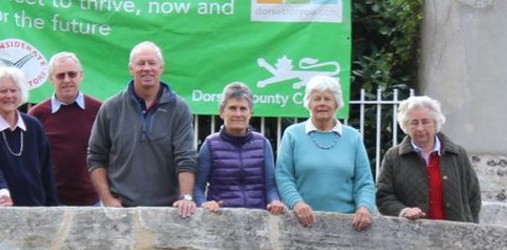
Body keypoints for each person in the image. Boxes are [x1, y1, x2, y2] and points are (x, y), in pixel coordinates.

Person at [87, 41, 197, 218]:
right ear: (131, 69)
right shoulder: (111, 108)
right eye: (141, 63)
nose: (147, 68)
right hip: (122, 210)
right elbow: (95, 157)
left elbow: (186, 156)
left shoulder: (179, 108)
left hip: (168, 211)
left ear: (161, 68)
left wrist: (186, 197)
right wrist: (107, 199)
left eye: (152, 63)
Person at [276, 75, 375, 231]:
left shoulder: (353, 137)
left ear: (336, 103)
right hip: (301, 221)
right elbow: (283, 175)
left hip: (348, 224)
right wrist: (297, 203)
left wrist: (364, 207)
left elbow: (364, 181)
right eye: (317, 99)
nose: (322, 103)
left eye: (327, 99)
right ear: (309, 103)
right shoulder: (292, 134)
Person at [376, 95, 481, 222]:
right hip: (412, 235)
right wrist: (403, 211)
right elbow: (383, 196)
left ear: (435, 123)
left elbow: (473, 195)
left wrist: (470, 227)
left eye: (425, 122)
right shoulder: (394, 157)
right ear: (406, 126)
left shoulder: (457, 154)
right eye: (414, 122)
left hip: (454, 235)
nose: (420, 128)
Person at [0, 67, 58, 207]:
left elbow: (46, 172)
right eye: (3, 91)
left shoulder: (33, 126)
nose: (9, 95)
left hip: (33, 208)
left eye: (13, 90)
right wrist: (1, 193)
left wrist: (52, 206)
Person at [194, 82, 284, 214]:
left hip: (258, 218)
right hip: (220, 218)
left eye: (243, 108)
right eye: (232, 108)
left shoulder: (263, 143)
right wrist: (204, 204)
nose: (238, 113)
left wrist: (275, 201)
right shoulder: (210, 144)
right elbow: (197, 187)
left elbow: (270, 186)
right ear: (221, 112)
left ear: (250, 113)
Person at [28, 52, 102, 206]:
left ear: (80, 76)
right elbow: (31, 161)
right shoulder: (36, 115)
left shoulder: (99, 110)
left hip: (93, 201)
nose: (67, 80)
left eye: (72, 74)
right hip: (51, 202)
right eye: (61, 75)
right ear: (51, 79)